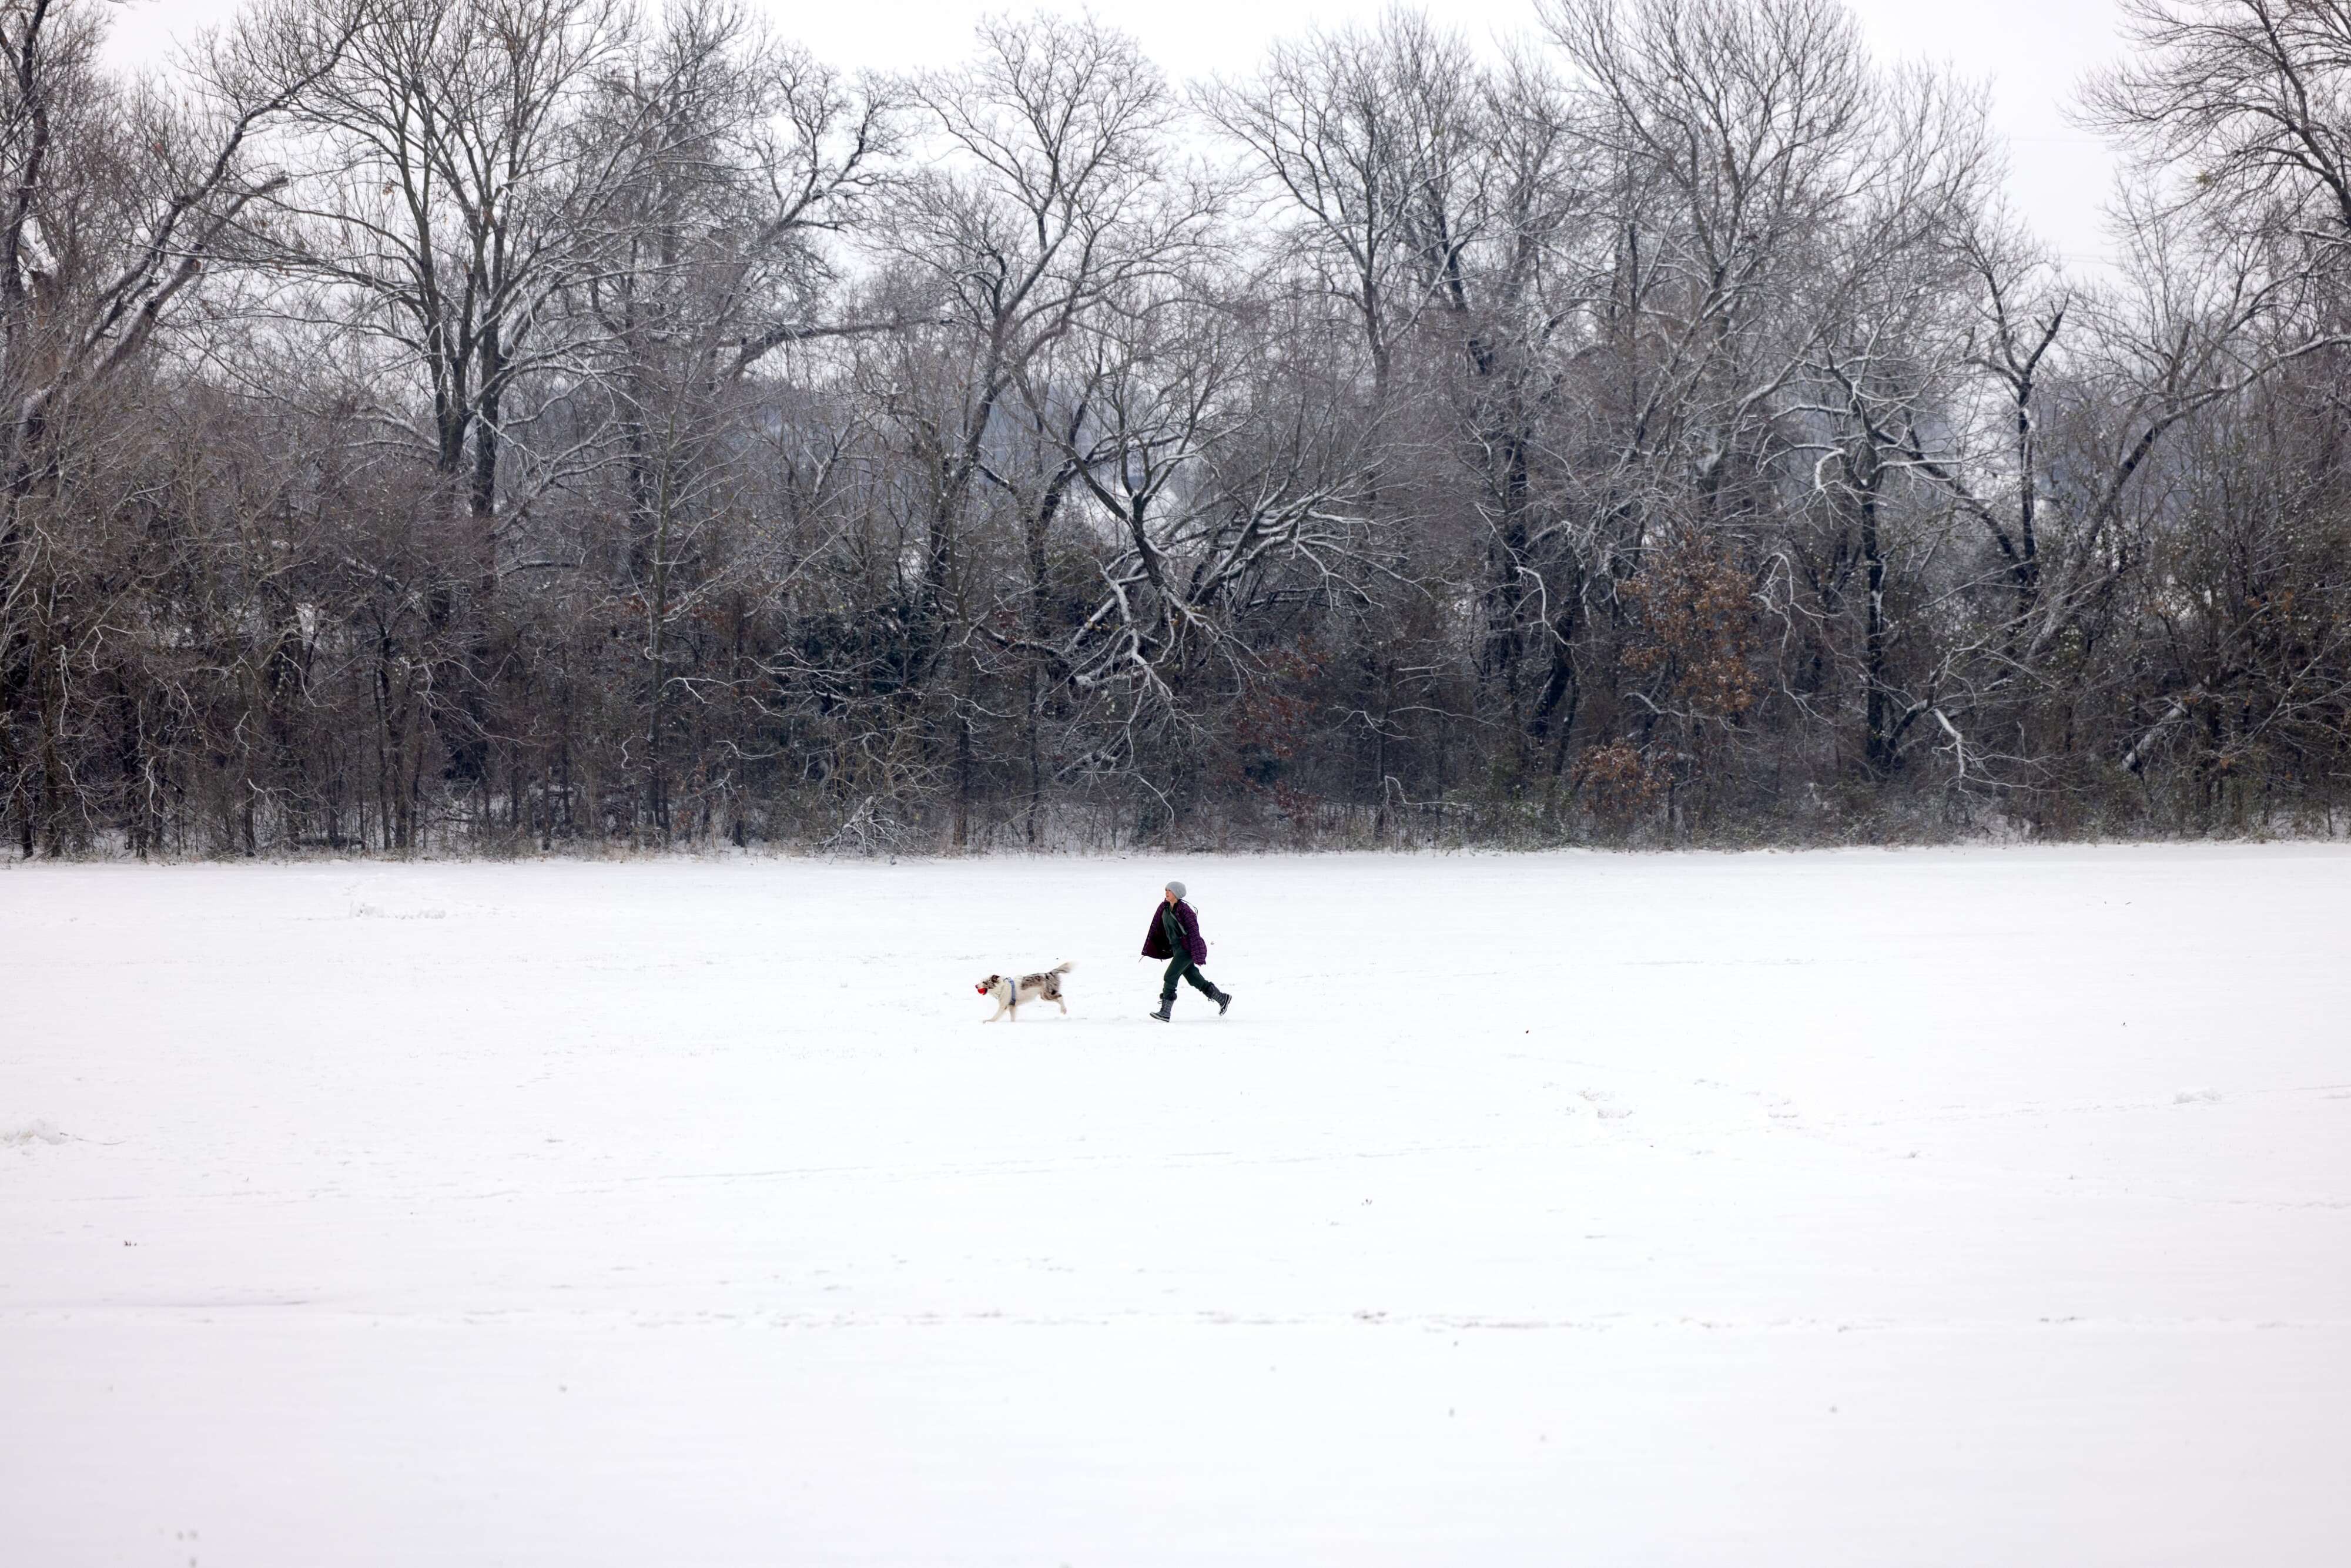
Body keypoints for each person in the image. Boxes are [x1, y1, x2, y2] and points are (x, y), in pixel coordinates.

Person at [1141, 880, 1230, 1023]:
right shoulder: (1165, 908)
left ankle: (1165, 1012)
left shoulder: (1185, 911)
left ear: (1176, 893)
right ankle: (1222, 998)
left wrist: (1197, 953)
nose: (1166, 892)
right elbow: (1157, 927)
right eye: (1166, 890)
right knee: (1194, 979)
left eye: (1169, 890)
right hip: (1176, 949)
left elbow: (1195, 933)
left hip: (1186, 949)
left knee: (1170, 977)